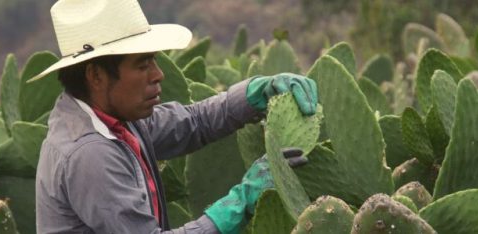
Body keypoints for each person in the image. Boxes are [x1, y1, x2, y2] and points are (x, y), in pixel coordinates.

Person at [31, 0, 319, 233]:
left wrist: (255, 93)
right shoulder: (89, 154)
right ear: (95, 75)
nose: (158, 75)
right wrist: (240, 202)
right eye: (143, 65)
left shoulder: (115, 120)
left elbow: (193, 123)